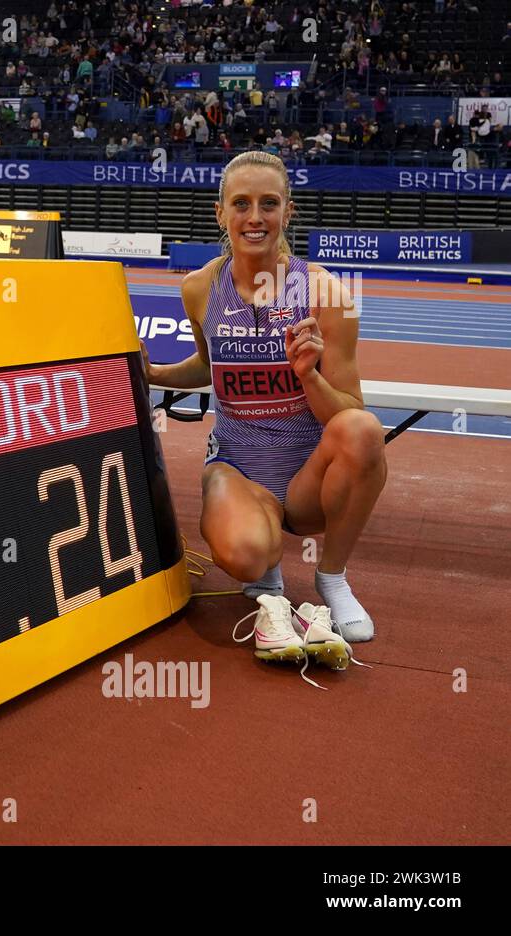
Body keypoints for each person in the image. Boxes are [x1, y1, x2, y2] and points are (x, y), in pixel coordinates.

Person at [143, 151, 386, 671]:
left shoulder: (325, 293)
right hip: (237, 463)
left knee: (364, 432)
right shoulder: (200, 287)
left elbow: (349, 414)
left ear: (288, 212)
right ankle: (268, 561)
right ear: (220, 213)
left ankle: (333, 578)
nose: (255, 217)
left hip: (306, 477)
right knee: (248, 556)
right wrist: (155, 374)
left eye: (268, 204)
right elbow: (210, 367)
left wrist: (308, 375)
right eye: (242, 204)